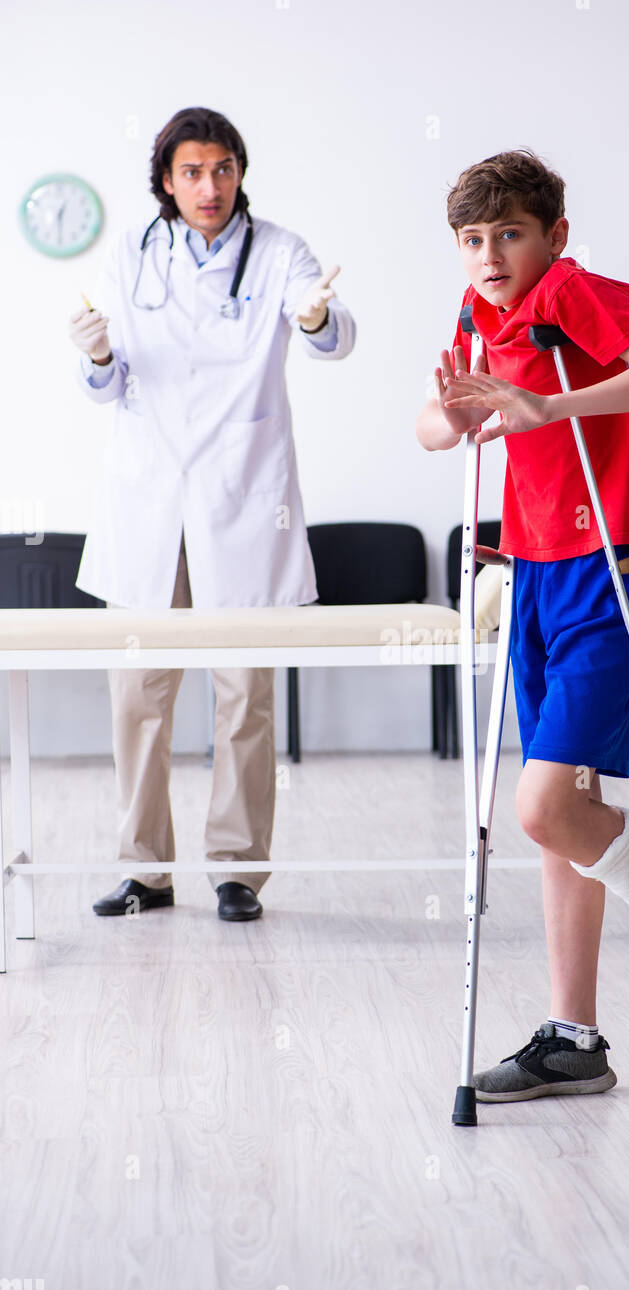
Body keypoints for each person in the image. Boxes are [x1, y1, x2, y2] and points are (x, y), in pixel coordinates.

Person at [416, 149, 629, 1104]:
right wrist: (453, 417)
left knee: (545, 803)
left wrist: (548, 405)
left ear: (553, 235)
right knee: (566, 811)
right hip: (533, 571)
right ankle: (573, 1039)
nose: (488, 256)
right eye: (471, 239)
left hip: (611, 563)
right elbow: (431, 428)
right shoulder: (478, 314)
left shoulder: (572, 291)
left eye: (508, 234)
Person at [68, 107, 356, 923]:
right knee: (137, 699)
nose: (209, 185)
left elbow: (333, 337)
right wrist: (96, 354)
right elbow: (106, 384)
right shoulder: (130, 253)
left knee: (244, 698)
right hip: (148, 499)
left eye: (223, 168)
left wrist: (316, 319)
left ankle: (237, 872)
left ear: (239, 173)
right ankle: (144, 871)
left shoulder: (279, 251)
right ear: (166, 180)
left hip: (243, 498)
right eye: (192, 171)